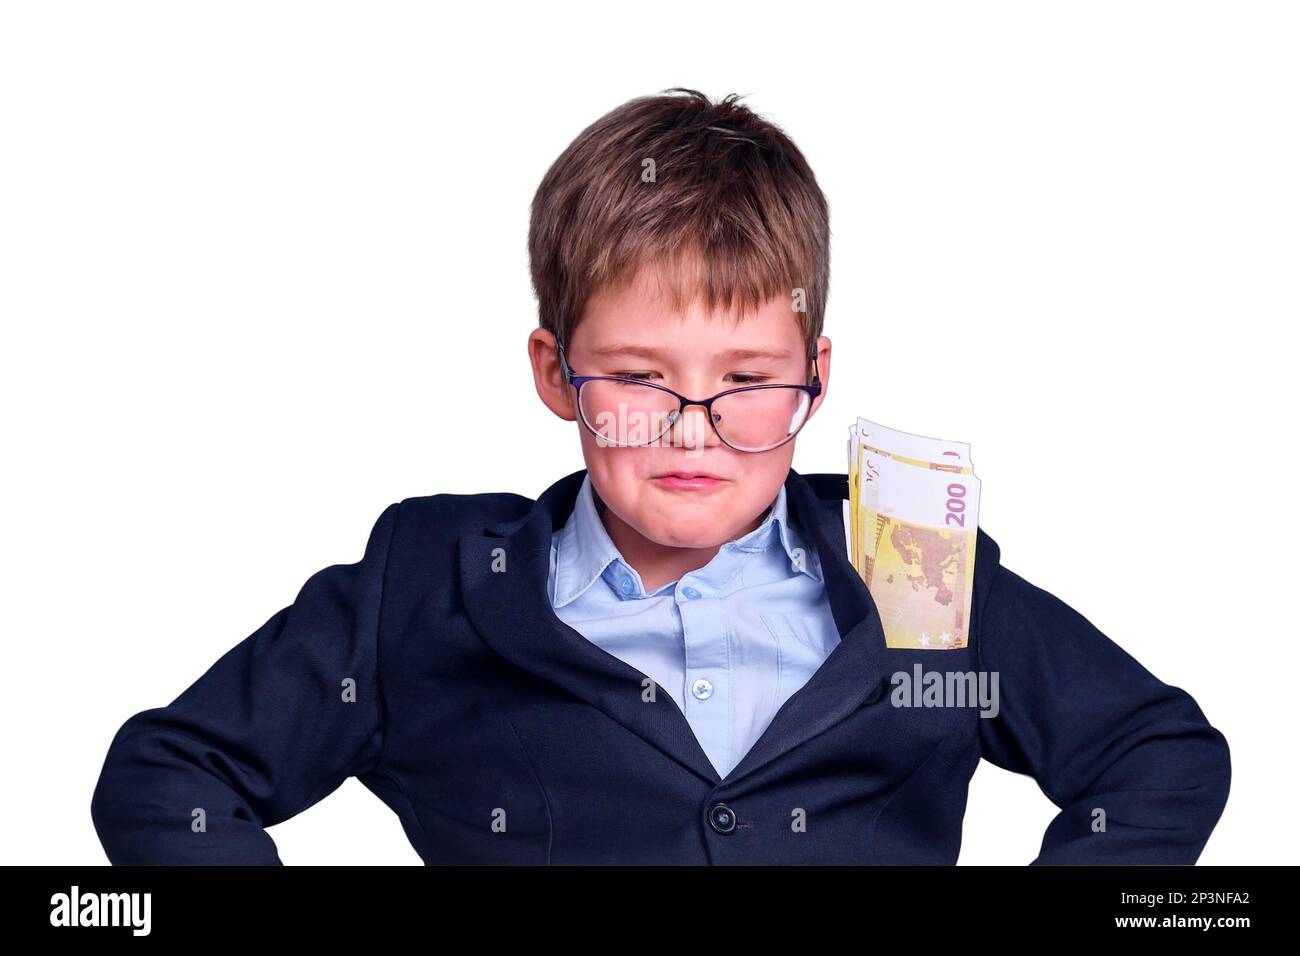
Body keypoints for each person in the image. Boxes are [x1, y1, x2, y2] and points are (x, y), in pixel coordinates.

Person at [91, 88, 1231, 864]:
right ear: (557, 371)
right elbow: (167, 774)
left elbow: (1156, 751)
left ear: (815, 378)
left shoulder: (914, 568)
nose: (694, 432)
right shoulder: (424, 586)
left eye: (746, 378)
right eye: (640, 377)